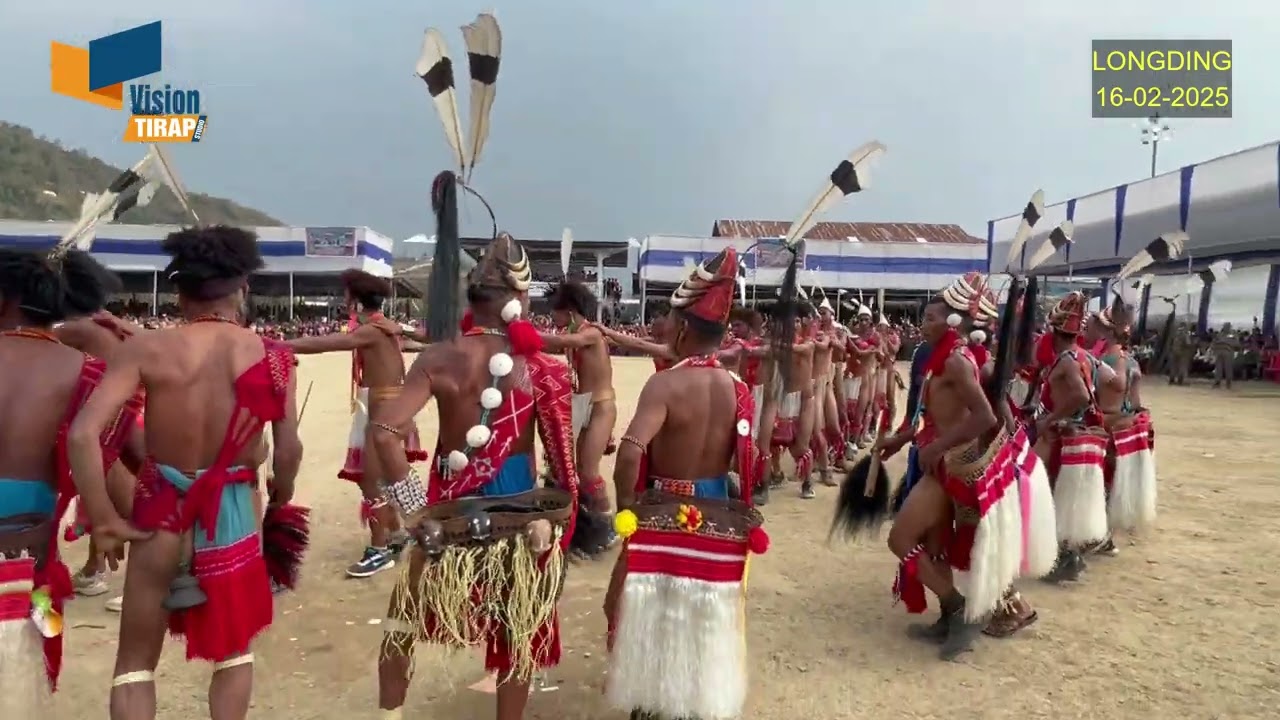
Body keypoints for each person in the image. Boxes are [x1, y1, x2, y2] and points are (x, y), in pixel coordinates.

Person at [68, 225, 303, 720]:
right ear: (242, 289)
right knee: (234, 657)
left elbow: (83, 434)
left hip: (160, 511)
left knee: (134, 666)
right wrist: (281, 495)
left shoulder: (147, 349)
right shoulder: (274, 357)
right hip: (235, 515)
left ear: (180, 292)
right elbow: (288, 452)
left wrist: (104, 518)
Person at [367, 227, 603, 720]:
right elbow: (562, 467)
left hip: (446, 514)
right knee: (517, 629)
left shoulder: (438, 356)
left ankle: (389, 715)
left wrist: (414, 512)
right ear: (519, 300)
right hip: (518, 517)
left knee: (402, 621)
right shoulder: (541, 369)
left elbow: (385, 433)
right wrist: (561, 520)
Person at [604, 246, 766, 720]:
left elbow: (631, 451)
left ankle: (651, 699)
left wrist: (627, 509)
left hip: (662, 509)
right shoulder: (736, 389)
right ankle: (689, 702)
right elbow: (749, 461)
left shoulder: (666, 384)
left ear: (682, 329)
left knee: (633, 606)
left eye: (671, 320)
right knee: (701, 614)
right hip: (715, 511)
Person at [876, 271, 1049, 661]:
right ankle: (950, 614)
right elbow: (935, 415)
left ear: (954, 321)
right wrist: (900, 441)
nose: (923, 324)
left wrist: (937, 446)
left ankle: (960, 611)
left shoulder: (956, 361)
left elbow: (984, 416)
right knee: (935, 545)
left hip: (954, 467)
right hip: (943, 464)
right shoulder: (945, 358)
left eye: (930, 318)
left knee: (901, 539)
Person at [0, 246, 142, 714]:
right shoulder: (88, 375)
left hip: (27, 577)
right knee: (22, 690)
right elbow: (145, 459)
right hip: (29, 574)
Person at [287, 269, 423, 578]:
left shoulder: (373, 330)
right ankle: (395, 534)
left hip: (382, 408)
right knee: (378, 479)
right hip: (380, 404)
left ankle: (380, 549)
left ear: (355, 300)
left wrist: (281, 345)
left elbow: (328, 342)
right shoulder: (381, 328)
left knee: (371, 481)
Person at [58, 310, 149, 612]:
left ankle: (151, 580)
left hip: (103, 417)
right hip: (121, 410)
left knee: (113, 494)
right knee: (109, 493)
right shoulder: (111, 325)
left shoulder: (77, 329)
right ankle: (93, 569)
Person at [1033, 292, 1113, 583]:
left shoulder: (1067, 360)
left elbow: (1080, 394)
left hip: (1061, 434)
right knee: (1063, 494)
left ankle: (1063, 557)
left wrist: (1053, 418)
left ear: (1053, 331)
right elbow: (1112, 379)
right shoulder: (1086, 356)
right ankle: (1068, 555)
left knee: (1046, 489)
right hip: (1075, 431)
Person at [542, 279, 615, 515]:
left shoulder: (591, 333)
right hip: (582, 405)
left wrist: (527, 334)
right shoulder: (570, 333)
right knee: (577, 470)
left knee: (589, 473)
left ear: (569, 312)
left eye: (555, 311)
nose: (552, 316)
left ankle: (604, 522)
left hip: (601, 407)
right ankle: (588, 517)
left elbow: (568, 341)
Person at [1087, 297, 1157, 541]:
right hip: (1126, 423)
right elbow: (1135, 402)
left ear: (1106, 331)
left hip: (1107, 423)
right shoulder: (1131, 360)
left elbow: (1116, 385)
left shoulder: (1107, 360)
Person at [756, 312, 817, 497]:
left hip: (802, 400)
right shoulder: (769, 344)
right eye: (789, 322)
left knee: (800, 448)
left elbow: (795, 349)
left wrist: (773, 344)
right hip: (775, 397)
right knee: (764, 445)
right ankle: (763, 485)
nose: (793, 325)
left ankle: (807, 483)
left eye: (797, 321)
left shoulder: (808, 344)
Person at [1211, 322, 1240, 389]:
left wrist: (1215, 349)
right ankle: (1227, 382)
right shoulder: (1232, 335)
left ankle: (1218, 382)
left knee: (1219, 367)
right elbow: (1237, 344)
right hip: (1227, 352)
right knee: (1227, 367)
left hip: (1219, 351)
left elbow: (1213, 343)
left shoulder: (1219, 335)